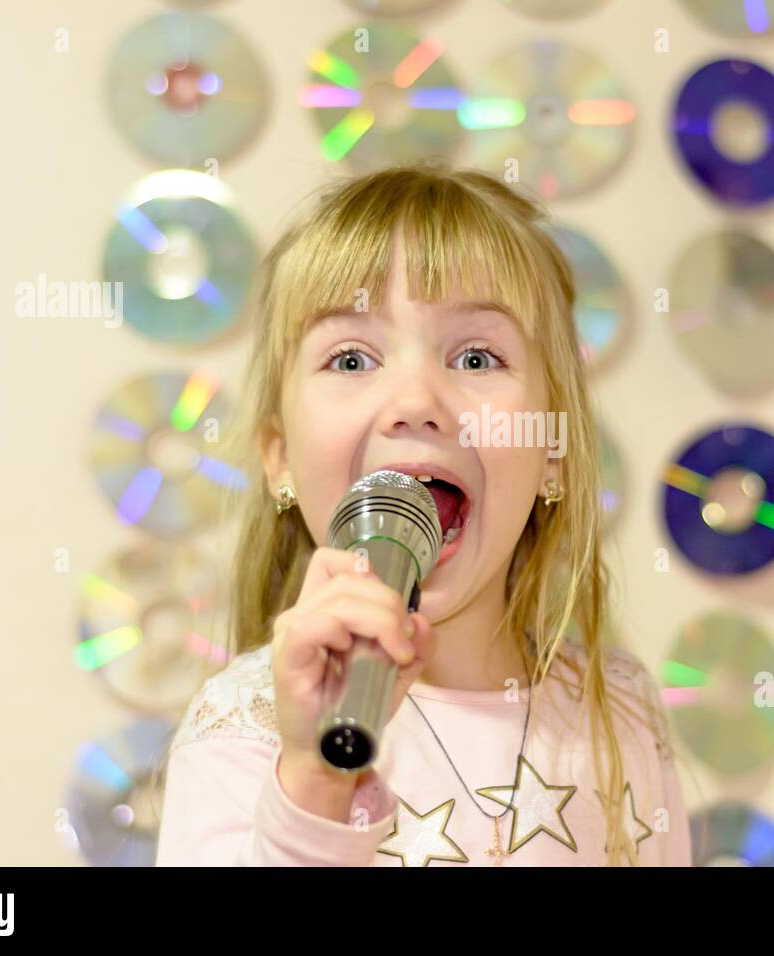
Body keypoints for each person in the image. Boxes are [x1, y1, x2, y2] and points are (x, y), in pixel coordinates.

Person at [155, 161, 693, 867]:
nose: (415, 400)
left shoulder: (619, 715)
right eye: (350, 360)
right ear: (279, 459)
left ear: (554, 450)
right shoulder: (240, 732)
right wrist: (316, 784)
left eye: (476, 356)